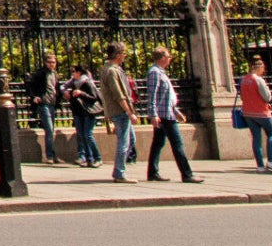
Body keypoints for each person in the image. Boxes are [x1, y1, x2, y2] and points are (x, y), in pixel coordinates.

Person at [144, 46, 202, 184]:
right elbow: (152, 96)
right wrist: (153, 114)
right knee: (177, 144)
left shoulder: (160, 72)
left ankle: (152, 172)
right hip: (163, 115)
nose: (170, 59)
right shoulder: (154, 73)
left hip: (168, 113)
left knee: (158, 143)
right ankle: (187, 174)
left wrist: (176, 112)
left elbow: (165, 97)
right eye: (169, 57)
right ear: (163, 58)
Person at [99, 41, 137, 183]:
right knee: (124, 142)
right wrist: (129, 112)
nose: (125, 56)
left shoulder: (111, 69)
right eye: (124, 53)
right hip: (120, 111)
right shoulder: (111, 71)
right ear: (118, 55)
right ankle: (119, 173)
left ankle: (119, 170)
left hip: (120, 111)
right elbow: (118, 94)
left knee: (130, 140)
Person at [236, 56, 272, 173]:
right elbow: (267, 97)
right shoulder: (259, 80)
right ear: (259, 67)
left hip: (248, 112)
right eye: (263, 67)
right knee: (271, 135)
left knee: (256, 138)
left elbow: (242, 96)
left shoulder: (244, 80)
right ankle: (271, 161)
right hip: (262, 112)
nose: (264, 69)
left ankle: (259, 165)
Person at [61, 64, 104, 167]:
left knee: (88, 135)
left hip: (88, 112)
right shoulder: (73, 83)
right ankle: (89, 159)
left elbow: (94, 97)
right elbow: (63, 88)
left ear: (79, 73)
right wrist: (67, 93)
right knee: (81, 135)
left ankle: (97, 157)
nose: (72, 74)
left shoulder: (87, 82)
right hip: (78, 111)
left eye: (73, 72)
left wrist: (81, 93)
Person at [26, 53, 62, 164]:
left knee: (50, 130)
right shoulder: (41, 73)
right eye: (50, 62)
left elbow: (56, 88)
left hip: (52, 103)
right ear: (45, 63)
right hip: (44, 103)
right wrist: (34, 96)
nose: (52, 64)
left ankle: (52, 154)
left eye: (53, 62)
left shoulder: (55, 74)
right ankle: (50, 156)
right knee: (49, 129)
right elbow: (29, 82)